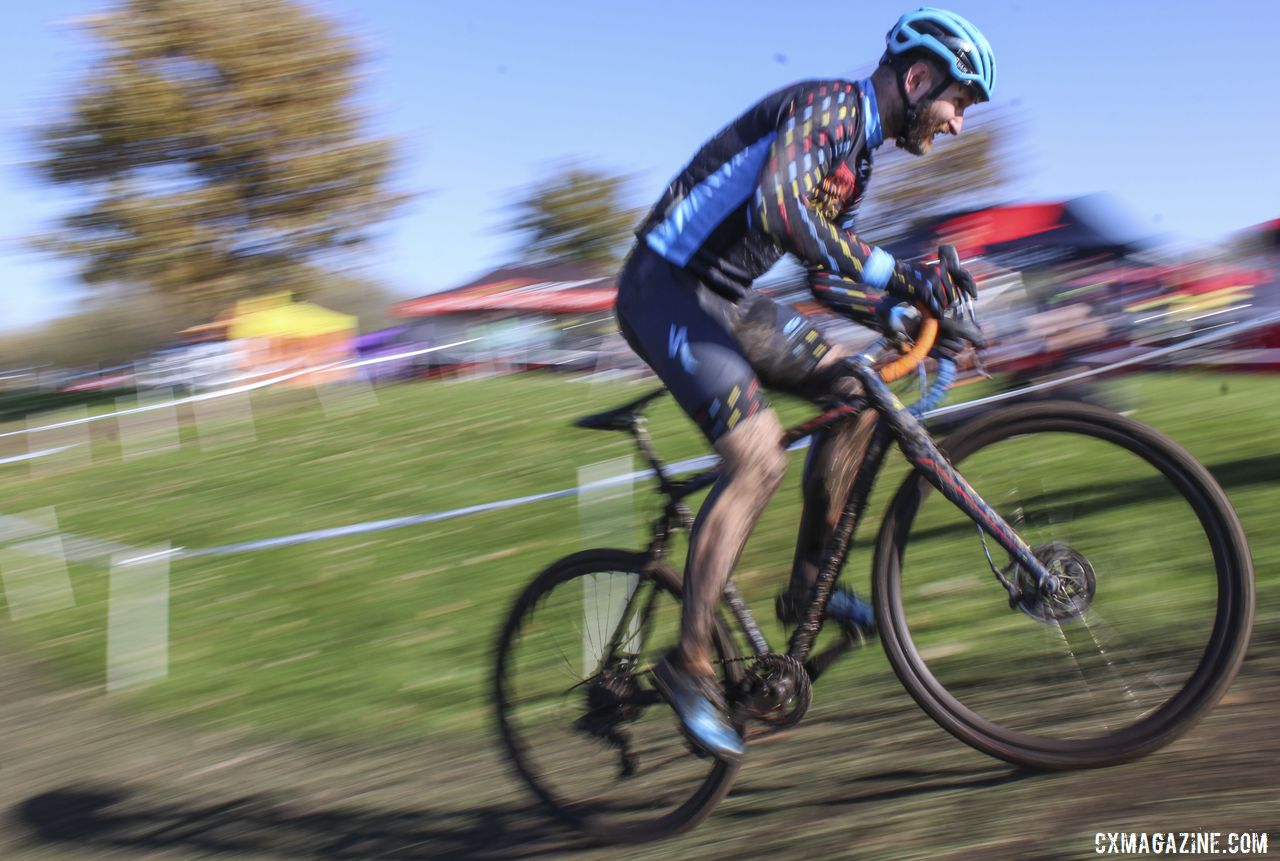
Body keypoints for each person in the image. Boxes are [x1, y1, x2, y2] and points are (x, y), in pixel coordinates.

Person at [613, 7, 994, 761]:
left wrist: (903, 310)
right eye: (958, 101)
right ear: (918, 78)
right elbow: (780, 210)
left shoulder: (857, 154)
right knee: (758, 457)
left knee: (857, 395)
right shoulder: (825, 108)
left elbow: (823, 268)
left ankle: (807, 587)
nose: (956, 123)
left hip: (730, 299)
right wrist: (902, 274)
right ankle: (688, 666)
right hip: (666, 290)